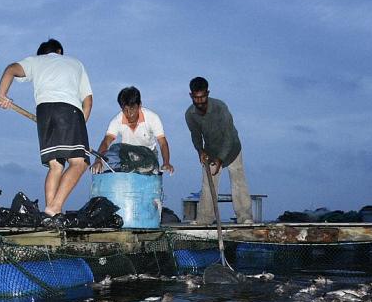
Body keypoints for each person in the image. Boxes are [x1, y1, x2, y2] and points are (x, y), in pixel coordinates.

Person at [0, 38, 93, 222]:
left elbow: (10, 69)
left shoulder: (35, 60)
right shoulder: (75, 63)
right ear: (59, 51)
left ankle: (53, 216)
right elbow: (88, 102)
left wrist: (1, 95)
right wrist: (79, 129)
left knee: (56, 166)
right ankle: (54, 208)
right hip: (68, 110)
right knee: (79, 163)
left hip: (44, 113)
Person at [185, 76, 253, 225]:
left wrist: (220, 159)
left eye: (203, 97)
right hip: (211, 151)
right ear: (191, 96)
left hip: (232, 147)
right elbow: (195, 136)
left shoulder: (220, 107)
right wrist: (200, 151)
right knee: (208, 184)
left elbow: (229, 136)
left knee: (238, 180)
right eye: (196, 98)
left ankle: (245, 217)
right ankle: (205, 219)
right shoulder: (190, 114)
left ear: (207, 93)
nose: (200, 101)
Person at [91, 86, 174, 175]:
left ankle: (145, 168)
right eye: (125, 110)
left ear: (139, 105)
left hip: (147, 154)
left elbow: (162, 143)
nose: (129, 114)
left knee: (148, 163)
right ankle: (125, 170)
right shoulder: (116, 121)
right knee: (113, 150)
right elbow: (106, 142)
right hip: (127, 156)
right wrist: (98, 160)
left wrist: (166, 162)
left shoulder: (152, 118)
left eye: (132, 109)